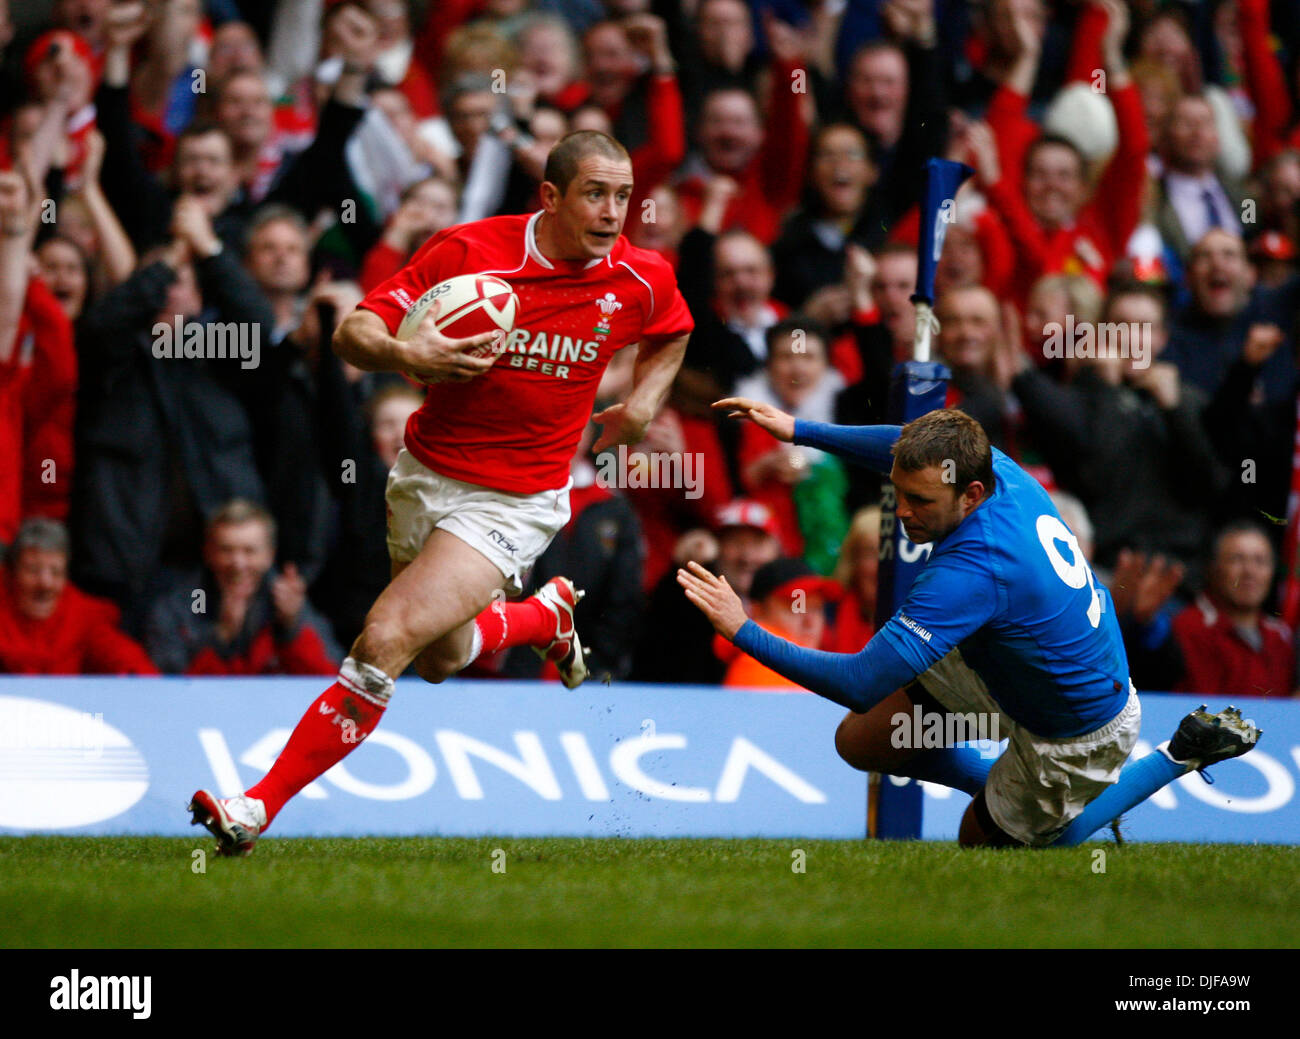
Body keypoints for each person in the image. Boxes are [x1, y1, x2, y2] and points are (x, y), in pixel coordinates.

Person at [189, 131, 693, 855]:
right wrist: (404, 353)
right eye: (595, 193)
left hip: (516, 499)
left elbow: (673, 331)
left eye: (623, 196)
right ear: (549, 196)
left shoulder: (640, 277)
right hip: (425, 474)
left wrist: (642, 404)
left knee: (386, 637)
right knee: (439, 657)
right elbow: (353, 331)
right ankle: (541, 618)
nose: (614, 212)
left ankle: (254, 807)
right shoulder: (469, 252)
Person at [678, 403, 1260, 847]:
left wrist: (743, 630)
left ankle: (1177, 755)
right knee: (860, 741)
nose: (902, 511)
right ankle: (1005, 792)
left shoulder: (971, 571)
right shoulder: (990, 467)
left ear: (970, 493)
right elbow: (902, 449)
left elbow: (859, 682)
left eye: (920, 502)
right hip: (1009, 662)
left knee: (989, 847)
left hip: (1076, 726)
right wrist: (802, 430)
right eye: (899, 494)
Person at [145, 500, 340, 676]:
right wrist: (221, 636)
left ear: (269, 555)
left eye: (249, 551)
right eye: (226, 550)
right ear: (208, 552)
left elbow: (326, 680)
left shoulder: (287, 603)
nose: (238, 563)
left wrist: (291, 628)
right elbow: (167, 686)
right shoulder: (177, 606)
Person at [0, 518, 157, 675]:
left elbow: (121, 654)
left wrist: (145, 685)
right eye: (33, 570)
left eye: (56, 573)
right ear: (12, 573)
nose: (45, 584)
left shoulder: (81, 614)